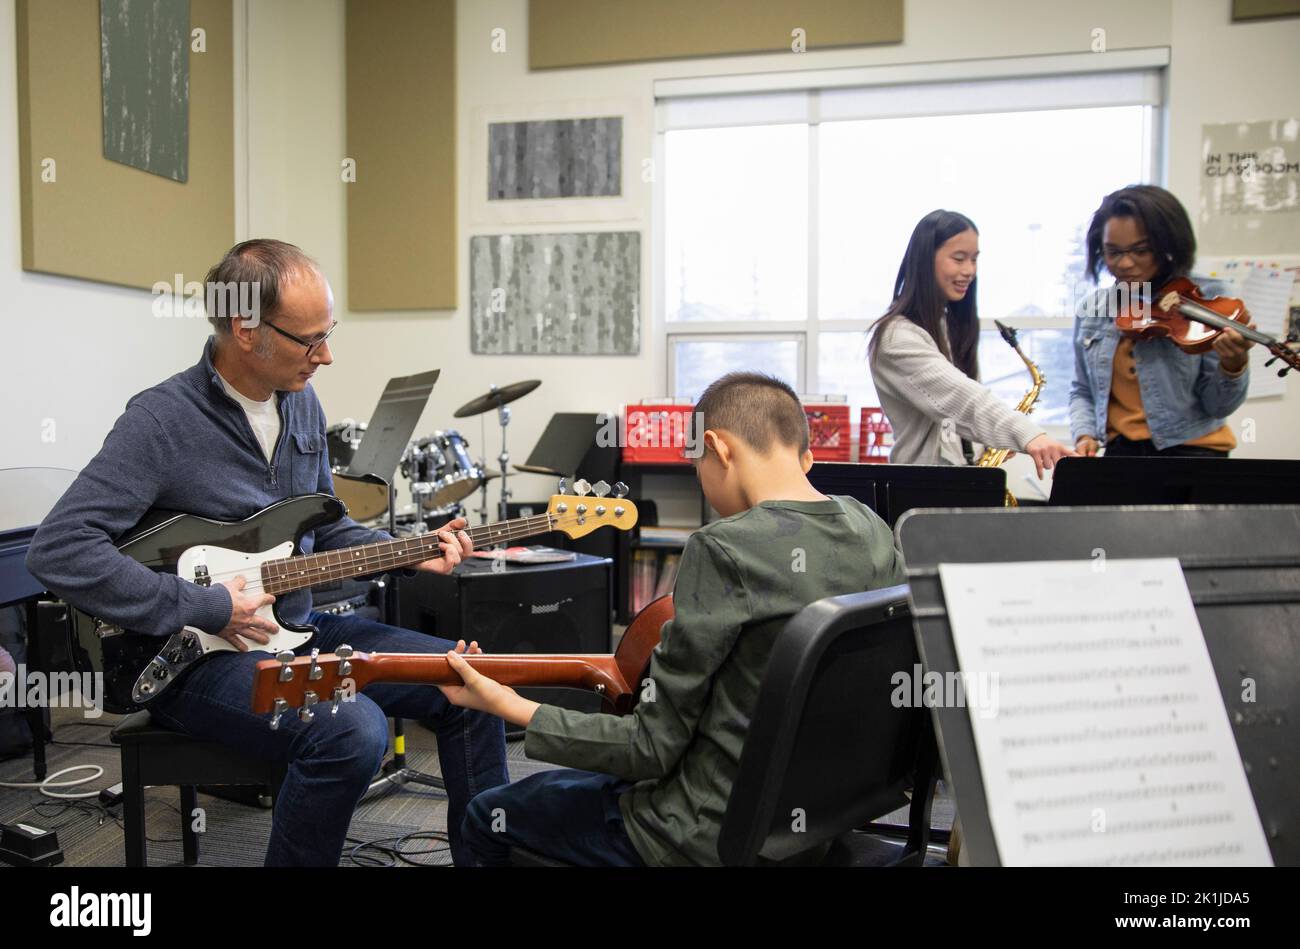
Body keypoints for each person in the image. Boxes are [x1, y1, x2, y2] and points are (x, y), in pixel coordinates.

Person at [26, 239, 508, 866]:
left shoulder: (302, 402)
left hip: (293, 629)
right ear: (245, 329)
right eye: (310, 340)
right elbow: (60, 549)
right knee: (351, 727)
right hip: (189, 659)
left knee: (469, 677)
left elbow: (326, 532)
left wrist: (408, 553)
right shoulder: (161, 421)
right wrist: (204, 604)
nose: (326, 355)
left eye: (327, 333)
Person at [440, 371, 907, 866]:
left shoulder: (724, 547)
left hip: (708, 834)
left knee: (486, 815)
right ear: (804, 455)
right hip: (819, 819)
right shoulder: (871, 529)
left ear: (717, 447)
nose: (701, 482)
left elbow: (649, 748)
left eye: (696, 465)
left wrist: (508, 704)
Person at [868, 209, 1074, 478]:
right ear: (924, 261)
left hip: (958, 479)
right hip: (921, 487)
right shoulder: (897, 338)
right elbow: (960, 399)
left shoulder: (945, 325)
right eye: (958, 259)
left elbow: (954, 422)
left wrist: (985, 443)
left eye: (974, 260)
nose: (969, 271)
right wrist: (1026, 434)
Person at [1069, 184, 1255, 458]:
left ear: (1168, 245)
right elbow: (1082, 389)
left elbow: (1219, 406)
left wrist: (1234, 365)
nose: (1125, 264)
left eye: (1140, 251)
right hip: (1122, 456)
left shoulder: (1208, 298)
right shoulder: (1094, 308)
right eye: (1113, 252)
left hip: (1195, 453)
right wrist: (1084, 433)